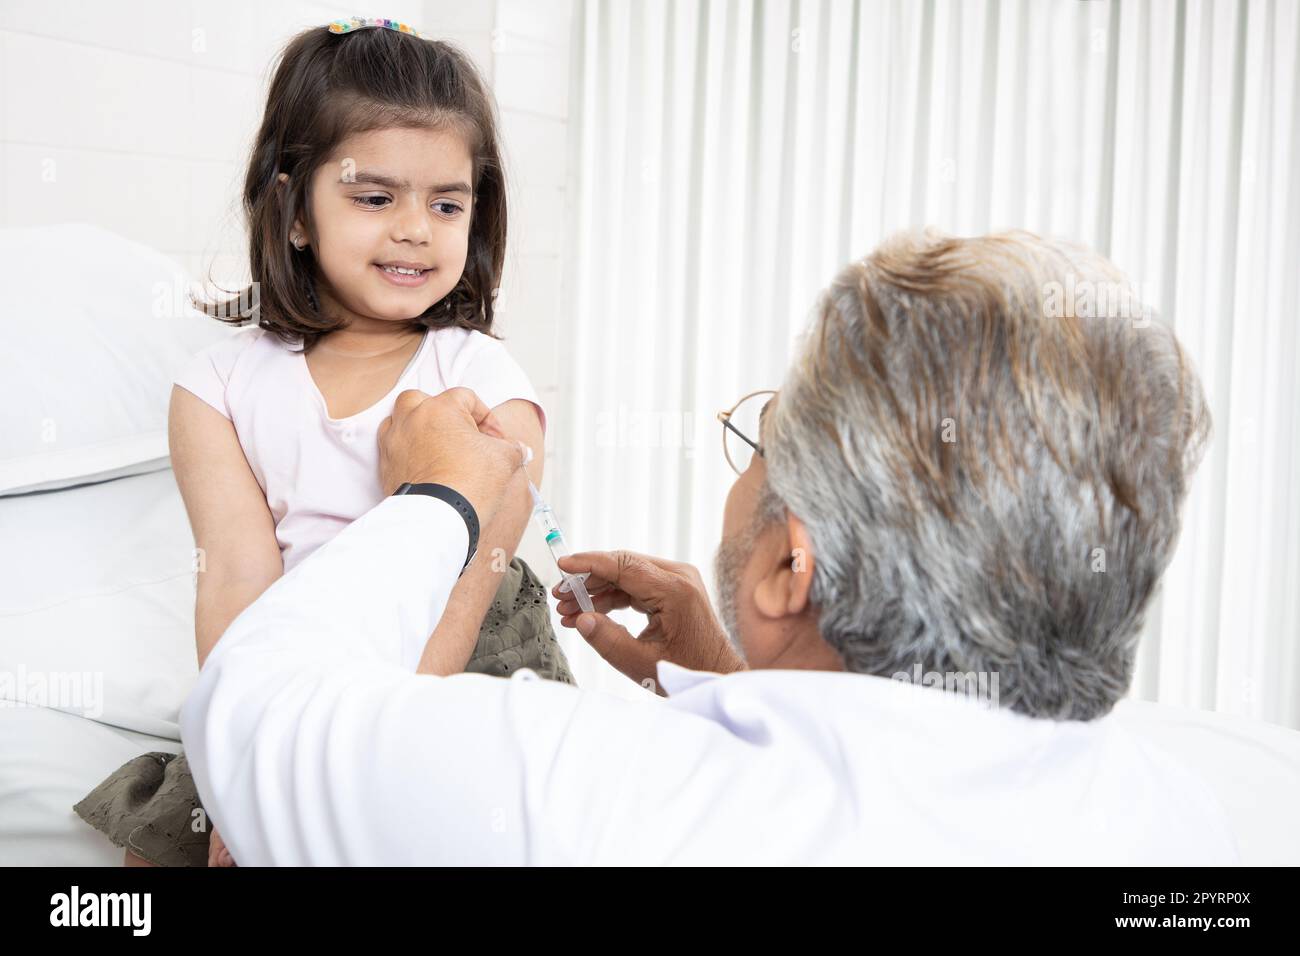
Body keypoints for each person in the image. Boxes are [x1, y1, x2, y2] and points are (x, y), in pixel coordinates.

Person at [181, 229, 1237, 864]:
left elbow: (251, 705)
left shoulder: (584, 797)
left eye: (762, 441)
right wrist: (738, 672)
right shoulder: (1226, 787)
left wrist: (438, 495)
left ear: (789, 568)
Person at [72, 20, 571, 869]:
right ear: (294, 210)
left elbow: (474, 575)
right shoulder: (217, 388)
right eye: (374, 197)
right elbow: (235, 581)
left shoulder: (486, 378)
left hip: (459, 650)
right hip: (305, 649)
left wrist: (360, 761)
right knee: (164, 850)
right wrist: (250, 776)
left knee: (440, 817)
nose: (417, 228)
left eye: (447, 203)